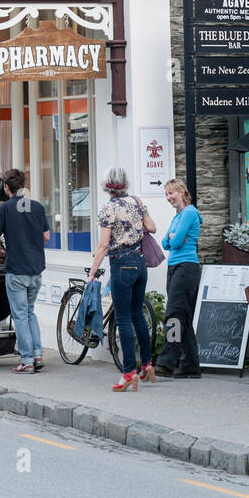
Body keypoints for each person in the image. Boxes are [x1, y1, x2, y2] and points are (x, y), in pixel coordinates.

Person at [88, 166, 157, 391]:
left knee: (123, 319)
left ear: (106, 185)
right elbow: (152, 227)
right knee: (138, 314)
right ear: (125, 183)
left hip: (121, 264)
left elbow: (103, 244)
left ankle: (128, 372)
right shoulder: (136, 202)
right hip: (139, 263)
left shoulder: (108, 208)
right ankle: (146, 364)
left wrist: (92, 271)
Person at [0, 168, 49, 372]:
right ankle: (37, 354)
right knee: (30, 312)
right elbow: (46, 236)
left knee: (20, 315)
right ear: (23, 185)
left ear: (7, 187)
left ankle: (26, 361)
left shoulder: (5, 209)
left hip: (16, 269)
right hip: (36, 268)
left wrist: (1, 253)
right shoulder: (37, 207)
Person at [154, 178, 202, 379]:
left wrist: (175, 238)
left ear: (182, 192)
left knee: (173, 315)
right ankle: (191, 366)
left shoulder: (190, 213)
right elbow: (166, 242)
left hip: (186, 267)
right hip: (174, 267)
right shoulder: (178, 215)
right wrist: (173, 238)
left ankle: (166, 363)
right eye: (166, 194)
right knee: (183, 318)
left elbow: (177, 240)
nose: (168, 198)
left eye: (171, 193)